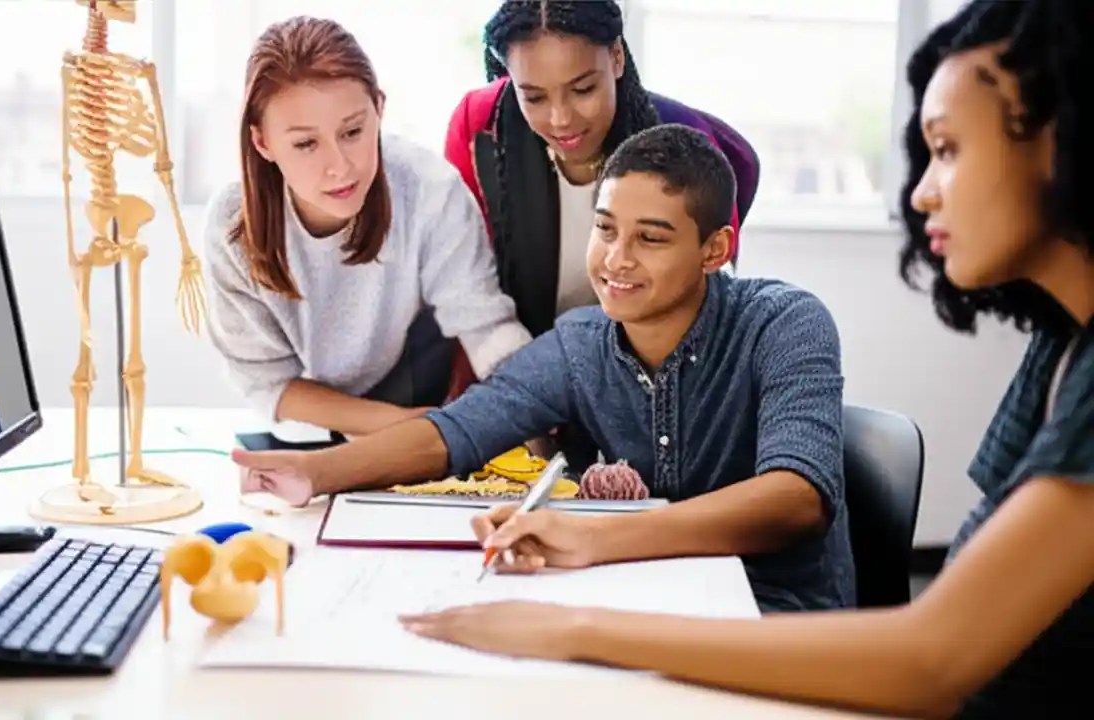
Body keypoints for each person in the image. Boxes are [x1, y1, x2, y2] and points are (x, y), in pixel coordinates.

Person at [397, 2, 1094, 718]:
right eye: (607, 230)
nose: (920, 191)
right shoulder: (1061, 349)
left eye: (947, 149)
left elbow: (932, 658)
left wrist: (573, 625)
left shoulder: (782, 319)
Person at [234, 123, 856, 613]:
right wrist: (313, 470)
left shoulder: (785, 323)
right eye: (606, 229)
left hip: (770, 614)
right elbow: (456, 432)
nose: (616, 259)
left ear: (715, 249)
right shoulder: (581, 343)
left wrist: (594, 537)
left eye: (652, 238)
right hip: (645, 597)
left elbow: (796, 498)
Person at [202, 16, 532, 437]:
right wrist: (411, 430)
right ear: (262, 142)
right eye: (305, 144)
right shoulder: (232, 226)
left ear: (379, 107)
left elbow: (486, 328)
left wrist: (536, 412)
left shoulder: (430, 190)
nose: (339, 167)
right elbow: (268, 383)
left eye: (353, 131)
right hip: (303, 426)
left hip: (411, 389)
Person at [446, 0, 760, 340]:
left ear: (616, 57)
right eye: (534, 98)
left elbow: (707, 308)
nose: (561, 119)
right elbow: (465, 285)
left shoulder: (683, 141)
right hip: (515, 360)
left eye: (583, 90)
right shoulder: (481, 125)